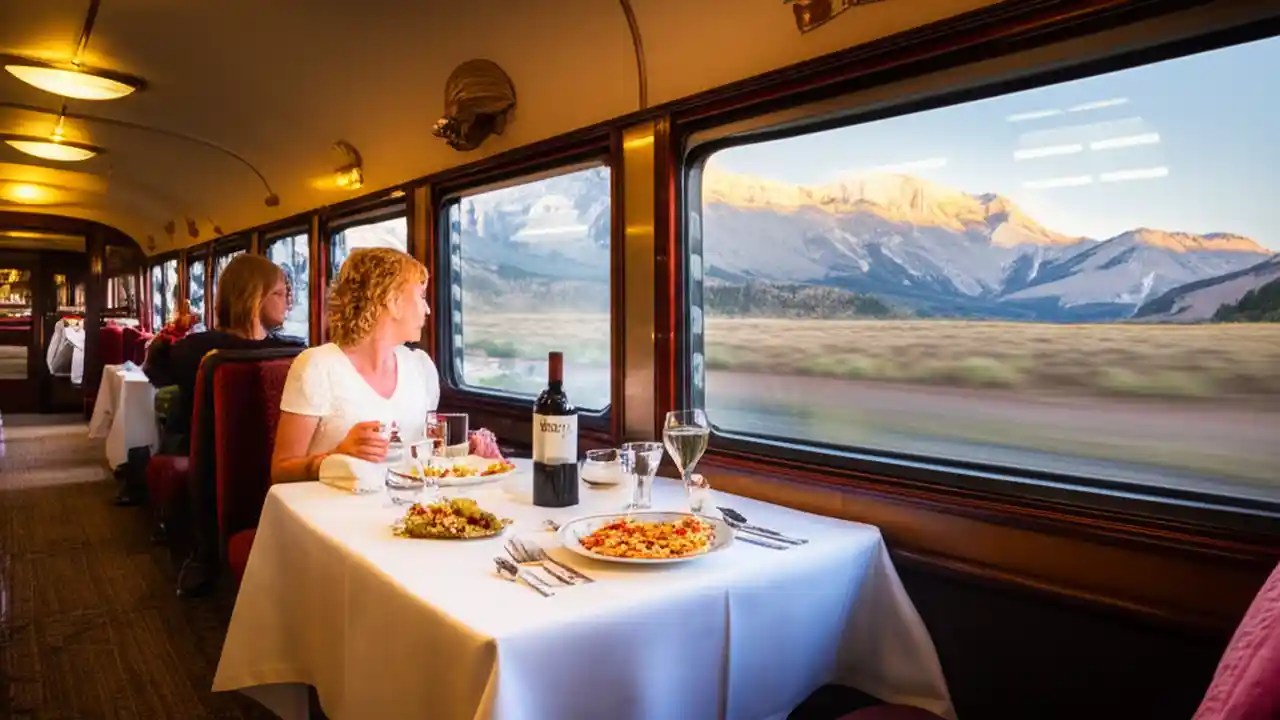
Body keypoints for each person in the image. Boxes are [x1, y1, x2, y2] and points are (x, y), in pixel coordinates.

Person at [173, 254, 305, 597]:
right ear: (254, 297)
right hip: (219, 457)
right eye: (279, 293)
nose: (288, 300)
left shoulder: (295, 352)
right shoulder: (198, 352)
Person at [272, 247, 439, 484]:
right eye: (421, 296)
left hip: (407, 510)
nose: (428, 309)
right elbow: (280, 472)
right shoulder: (318, 366)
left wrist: (470, 451)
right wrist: (337, 456)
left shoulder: (421, 368)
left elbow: (427, 458)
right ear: (392, 301)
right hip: (336, 512)